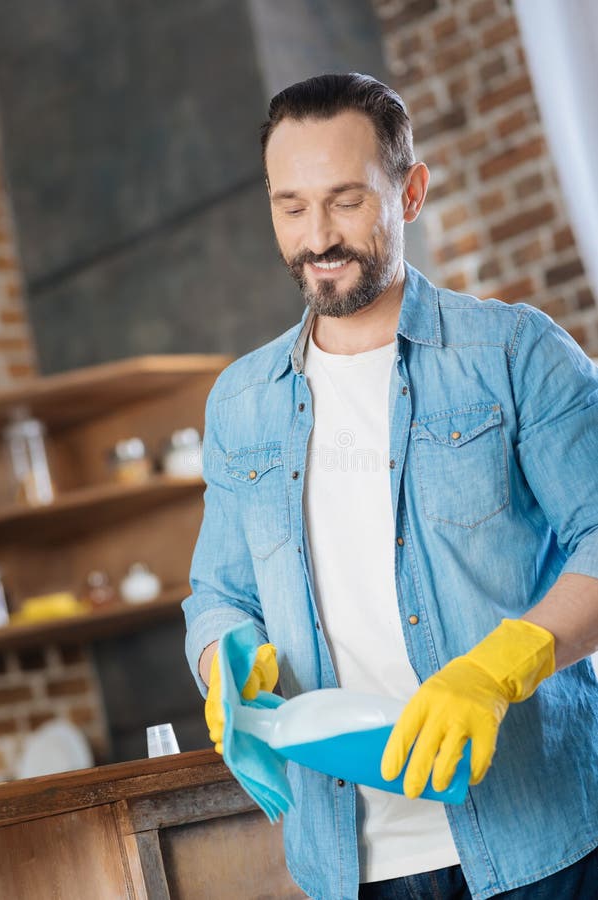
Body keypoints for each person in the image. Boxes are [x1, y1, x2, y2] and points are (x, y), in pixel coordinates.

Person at [182, 73, 598, 900]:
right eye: (291, 206)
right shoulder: (240, 401)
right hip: (350, 861)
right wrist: (220, 660)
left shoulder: (514, 355)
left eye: (344, 201)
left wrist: (496, 670)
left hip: (542, 838)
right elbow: (217, 592)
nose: (316, 237)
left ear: (408, 192)